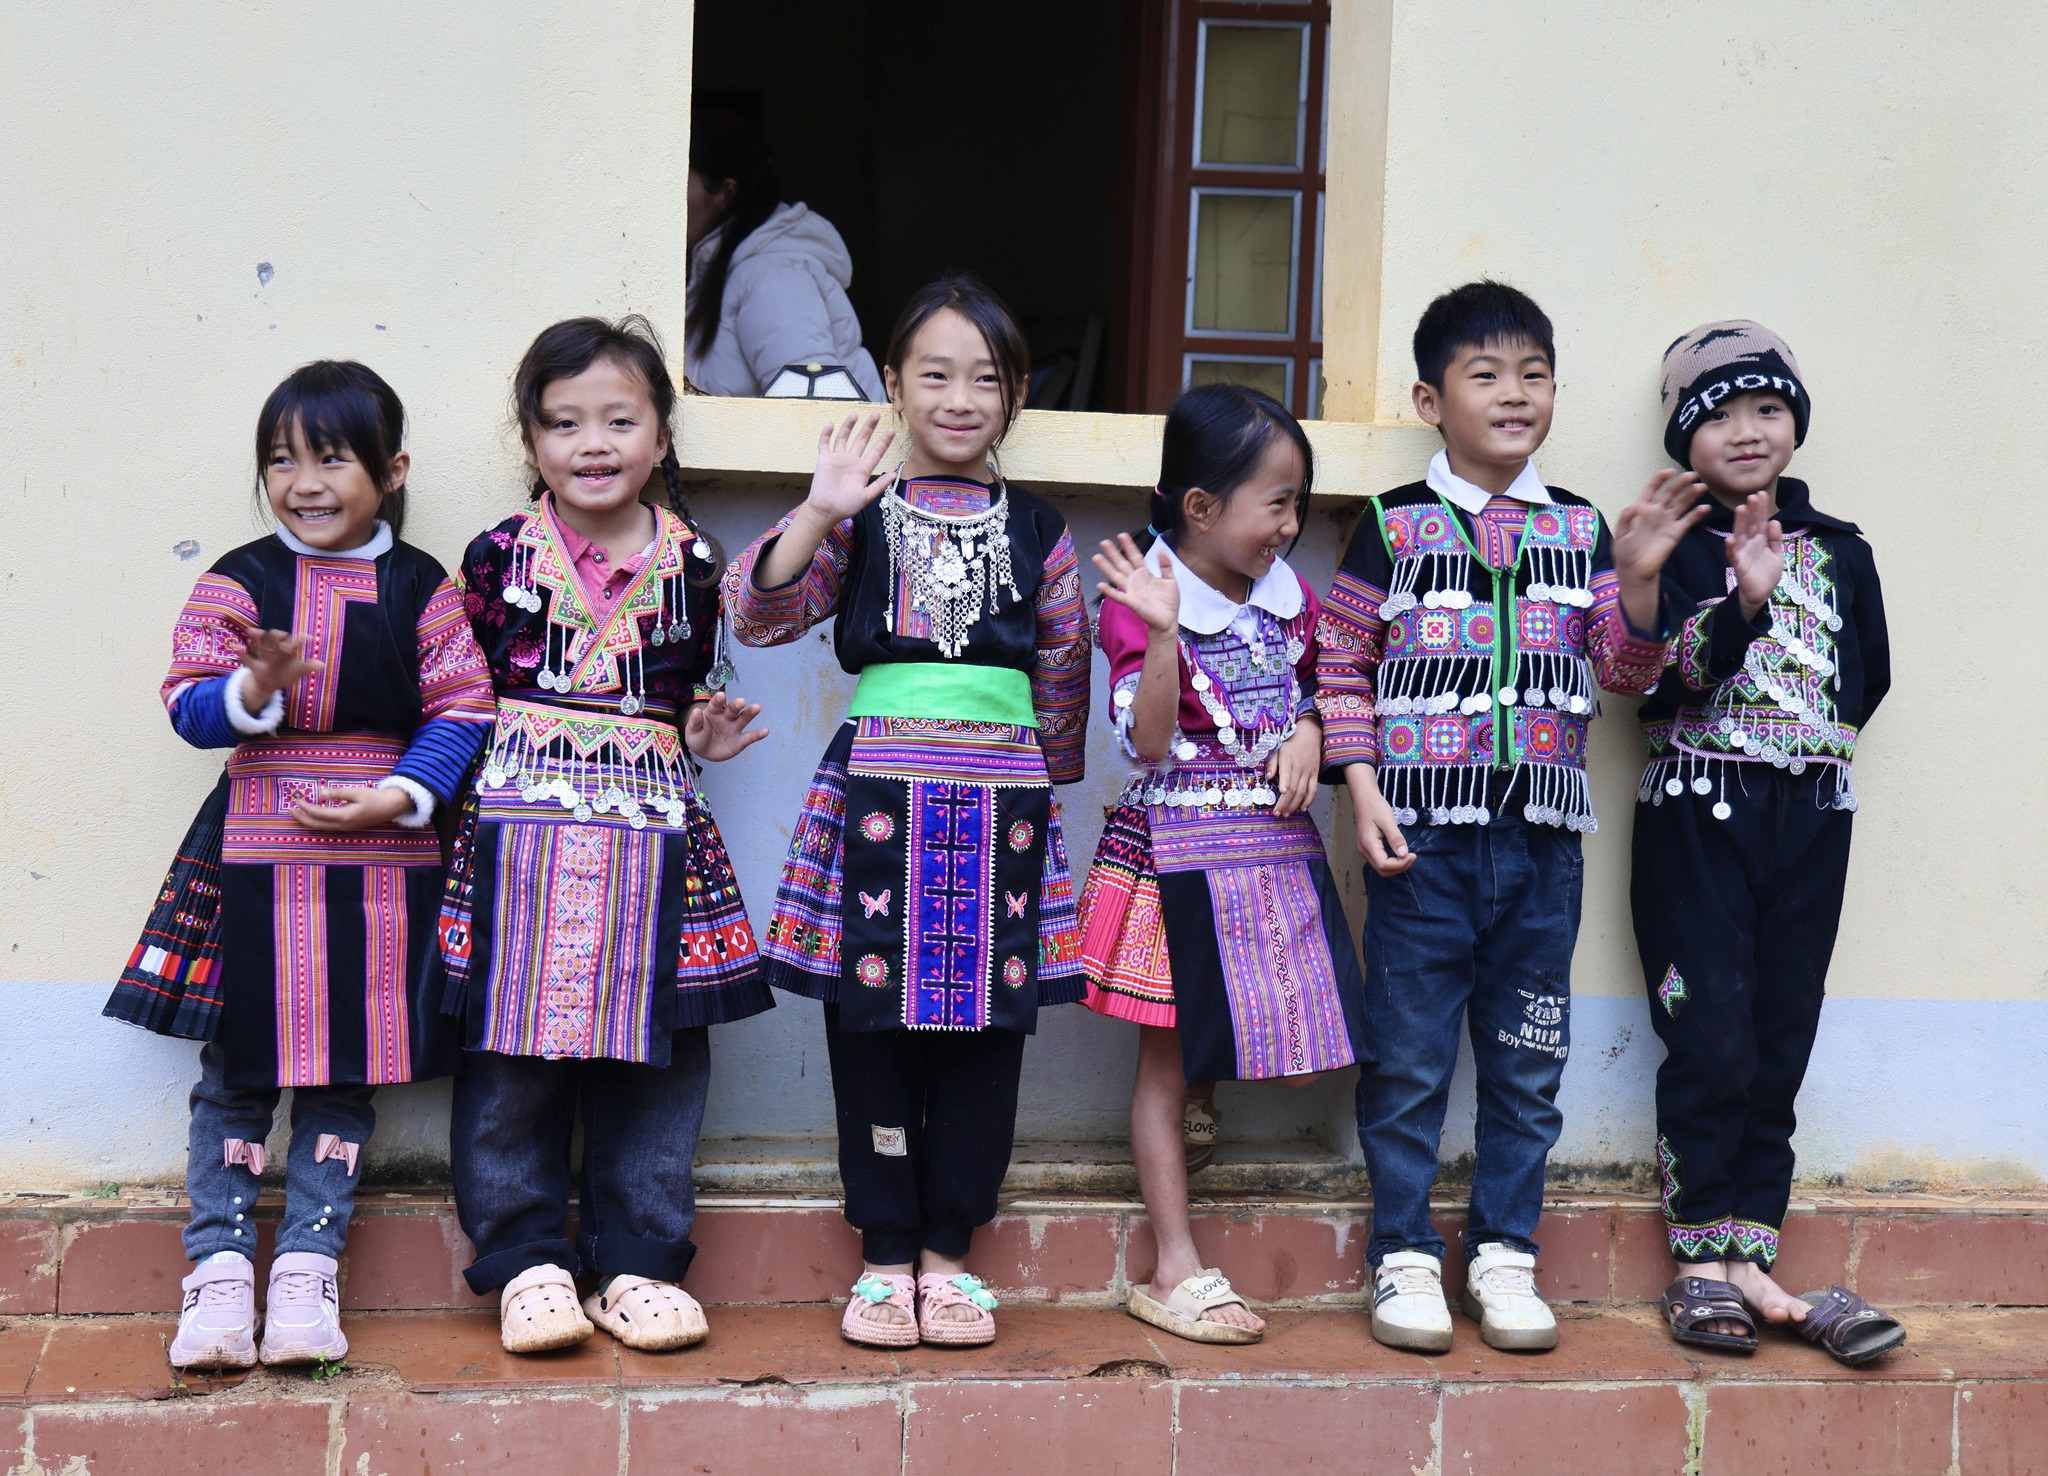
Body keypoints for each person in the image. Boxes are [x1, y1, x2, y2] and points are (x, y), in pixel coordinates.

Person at [1317, 280, 1698, 1354]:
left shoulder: (1580, 527)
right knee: (1407, 1062)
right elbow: (1338, 667)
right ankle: (1400, 1255)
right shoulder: (1388, 525)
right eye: (1484, 374)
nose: (1514, 393)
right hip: (1417, 846)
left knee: (1528, 1061)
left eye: (1534, 374)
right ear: (1429, 401)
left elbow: (1623, 672)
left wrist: (1635, 584)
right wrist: (1361, 790)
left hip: (1540, 845)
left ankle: (1503, 1255)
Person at [724, 274, 1089, 1348]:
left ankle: (949, 1254)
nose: (959, 399)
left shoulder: (1041, 528)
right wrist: (818, 508)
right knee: (867, 1011)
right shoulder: (859, 513)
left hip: (1003, 808)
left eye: (986, 378)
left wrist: (1045, 785)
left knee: (989, 1023)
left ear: (1018, 395)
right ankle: (885, 1255)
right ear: (891, 383)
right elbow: (759, 615)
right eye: (934, 374)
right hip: (877, 792)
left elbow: (1064, 666)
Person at [107, 361, 496, 1369]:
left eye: (331, 458)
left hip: (385, 851)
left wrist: (398, 795)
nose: (304, 482)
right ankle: (218, 1272)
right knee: (238, 1062)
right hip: (253, 850)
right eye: (281, 460)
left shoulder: (424, 586)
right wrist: (248, 690)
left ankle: (308, 1270)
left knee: (347, 1067)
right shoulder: (238, 580)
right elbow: (188, 702)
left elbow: (464, 707)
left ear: (392, 470)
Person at [440, 315, 774, 1356]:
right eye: (564, 422)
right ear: (531, 441)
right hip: (518, 848)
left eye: (620, 420)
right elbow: (455, 696)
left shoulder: (697, 566)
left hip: (655, 843)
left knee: (659, 1057)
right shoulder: (495, 557)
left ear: (661, 435)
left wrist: (702, 737)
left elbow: (697, 700)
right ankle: (525, 1262)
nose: (593, 443)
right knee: (511, 1054)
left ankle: (638, 1261)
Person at [1636, 321, 1902, 1364]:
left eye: (1768, 409)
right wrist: (1743, 603)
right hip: (1697, 817)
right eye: (1720, 416)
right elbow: (1655, 679)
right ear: (1683, 437)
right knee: (1710, 1034)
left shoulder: (1842, 549)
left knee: (1781, 1030)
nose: (1747, 431)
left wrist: (1799, 756)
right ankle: (1699, 1260)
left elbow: (1868, 674)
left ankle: (1752, 1253)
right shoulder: (1671, 546)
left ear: (1794, 422)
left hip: (1811, 817)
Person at [1080, 384, 1368, 1346]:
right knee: (1164, 1061)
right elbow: (1148, 741)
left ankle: (1211, 1081)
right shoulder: (1141, 600)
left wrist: (1314, 730)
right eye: (1277, 503)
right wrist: (1164, 632)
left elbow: (1323, 685)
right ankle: (1174, 1265)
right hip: (1180, 855)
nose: (1291, 524)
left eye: (1297, 502)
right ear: (1200, 506)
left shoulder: (1289, 598)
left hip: (1274, 851)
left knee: (1300, 1064)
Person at [685, 106, 882, 401]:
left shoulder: (773, 277)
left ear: (726, 192)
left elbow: (812, 407)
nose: (667, 196)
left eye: (680, 179)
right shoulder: (738, 270)